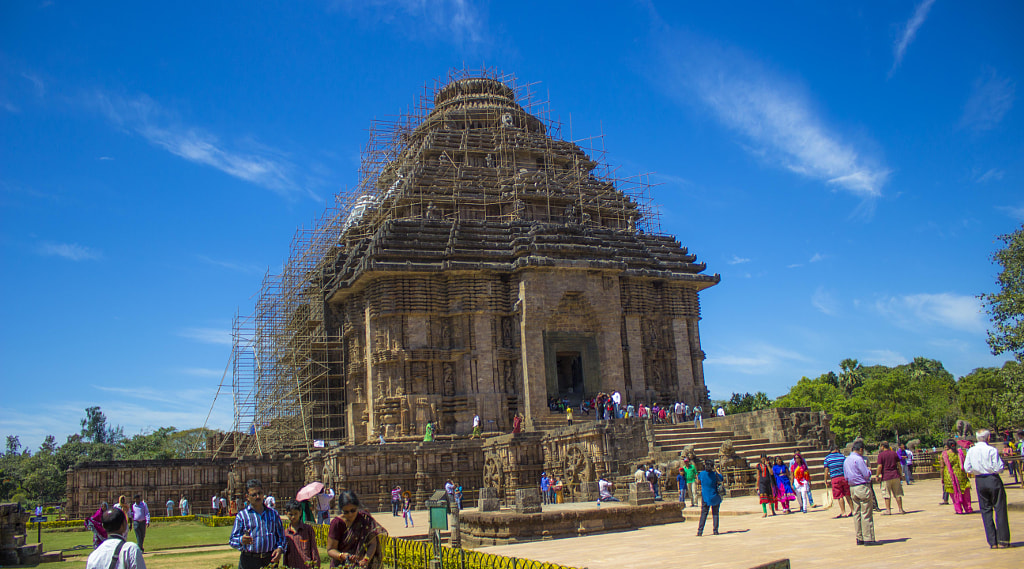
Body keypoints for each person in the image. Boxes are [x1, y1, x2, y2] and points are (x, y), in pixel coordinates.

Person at [964, 429, 1011, 549]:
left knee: (985, 510)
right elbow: (999, 467)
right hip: (993, 478)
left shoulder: (971, 451)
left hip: (980, 480)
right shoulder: (991, 450)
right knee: (999, 508)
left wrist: (976, 471)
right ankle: (1003, 539)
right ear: (988, 438)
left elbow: (967, 467)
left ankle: (992, 542)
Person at [229, 479, 286, 569]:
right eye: (254, 495)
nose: (258, 496)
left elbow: (281, 537)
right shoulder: (242, 516)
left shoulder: (273, 514)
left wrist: (279, 549)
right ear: (247, 497)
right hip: (249, 560)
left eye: (260, 493)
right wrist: (241, 540)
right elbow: (232, 540)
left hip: (269, 559)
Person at [327, 491, 387, 569]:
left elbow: (372, 543)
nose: (350, 514)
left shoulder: (365, 519)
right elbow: (330, 549)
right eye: (346, 512)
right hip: (341, 565)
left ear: (357, 507)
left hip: (361, 565)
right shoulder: (337, 523)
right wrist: (342, 556)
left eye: (353, 510)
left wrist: (365, 560)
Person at [844, 440, 878, 546]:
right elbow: (866, 474)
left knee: (857, 513)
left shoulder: (846, 460)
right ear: (861, 450)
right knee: (866, 513)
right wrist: (869, 470)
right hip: (862, 486)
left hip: (852, 488)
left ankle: (859, 537)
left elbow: (846, 476)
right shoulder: (858, 459)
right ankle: (868, 537)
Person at [939, 438, 973, 514]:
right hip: (961, 474)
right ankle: (968, 508)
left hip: (949, 476)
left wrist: (942, 477)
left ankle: (958, 509)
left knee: (954, 493)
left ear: (947, 446)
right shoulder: (960, 452)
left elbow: (942, 466)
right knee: (965, 492)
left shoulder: (944, 454)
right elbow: (964, 462)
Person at [283, 500, 320, 569]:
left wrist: (316, 565)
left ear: (300, 513)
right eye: (291, 514)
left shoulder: (308, 530)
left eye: (295, 514)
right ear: (286, 513)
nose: (293, 517)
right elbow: (285, 555)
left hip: (306, 566)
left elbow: (313, 550)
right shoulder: (286, 533)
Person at [875, 441, 905, 515]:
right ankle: (900, 509)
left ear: (882, 446)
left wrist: (877, 475)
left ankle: (888, 510)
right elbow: (898, 464)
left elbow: (880, 466)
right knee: (898, 494)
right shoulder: (894, 453)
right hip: (895, 475)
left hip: (886, 476)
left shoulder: (881, 455)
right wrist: (900, 474)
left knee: (886, 494)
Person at [823, 445, 853, 518]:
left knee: (840, 496)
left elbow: (826, 470)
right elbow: (847, 466)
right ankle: (853, 510)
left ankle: (843, 512)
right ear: (836, 449)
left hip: (835, 478)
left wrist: (825, 480)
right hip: (844, 477)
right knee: (848, 495)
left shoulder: (827, 458)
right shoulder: (842, 457)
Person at [696, 460, 723, 537]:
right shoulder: (714, 474)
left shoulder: (702, 474)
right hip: (714, 496)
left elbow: (698, 481)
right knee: (715, 513)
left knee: (704, 514)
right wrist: (716, 470)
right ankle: (715, 530)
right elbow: (721, 478)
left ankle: (700, 531)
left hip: (705, 497)